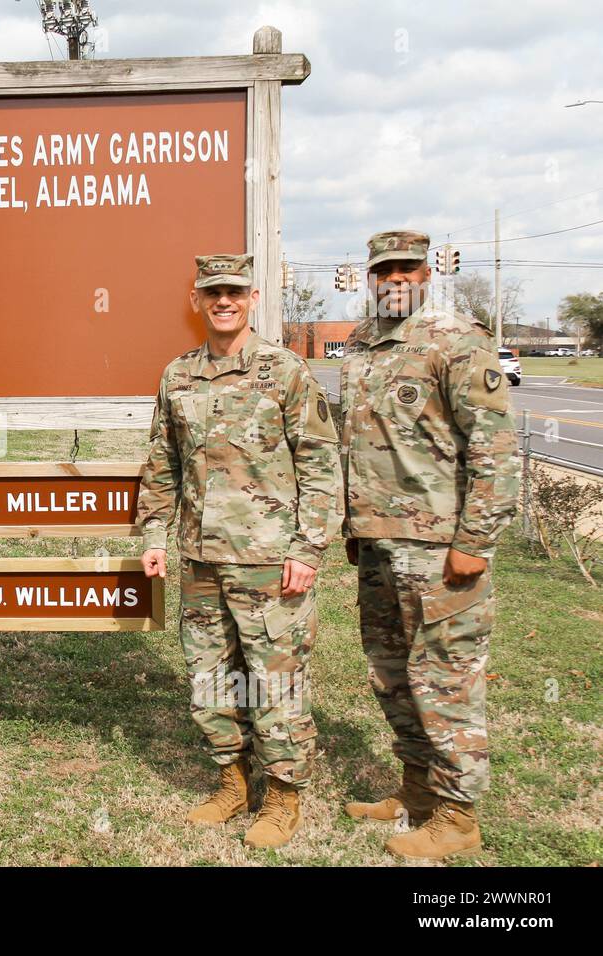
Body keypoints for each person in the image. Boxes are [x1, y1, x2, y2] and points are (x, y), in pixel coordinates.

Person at [138, 253, 343, 848]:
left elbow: (321, 463)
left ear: (252, 298)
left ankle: (283, 796)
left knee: (274, 682)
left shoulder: (285, 372)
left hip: (270, 561)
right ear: (196, 301)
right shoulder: (178, 375)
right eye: (212, 292)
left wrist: (309, 548)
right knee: (209, 678)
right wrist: (154, 535)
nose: (223, 301)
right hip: (200, 558)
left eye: (234, 291)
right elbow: (162, 464)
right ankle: (232, 780)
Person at [340, 230, 518, 860]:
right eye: (384, 269)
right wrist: (354, 527)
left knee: (444, 678)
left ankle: (458, 816)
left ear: (426, 271)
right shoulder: (363, 343)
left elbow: (494, 447)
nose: (396, 279)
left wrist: (475, 538)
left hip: (441, 547)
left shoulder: (460, 339)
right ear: (371, 276)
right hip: (381, 542)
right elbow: (357, 443)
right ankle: (417, 793)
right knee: (391, 675)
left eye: (408, 268)